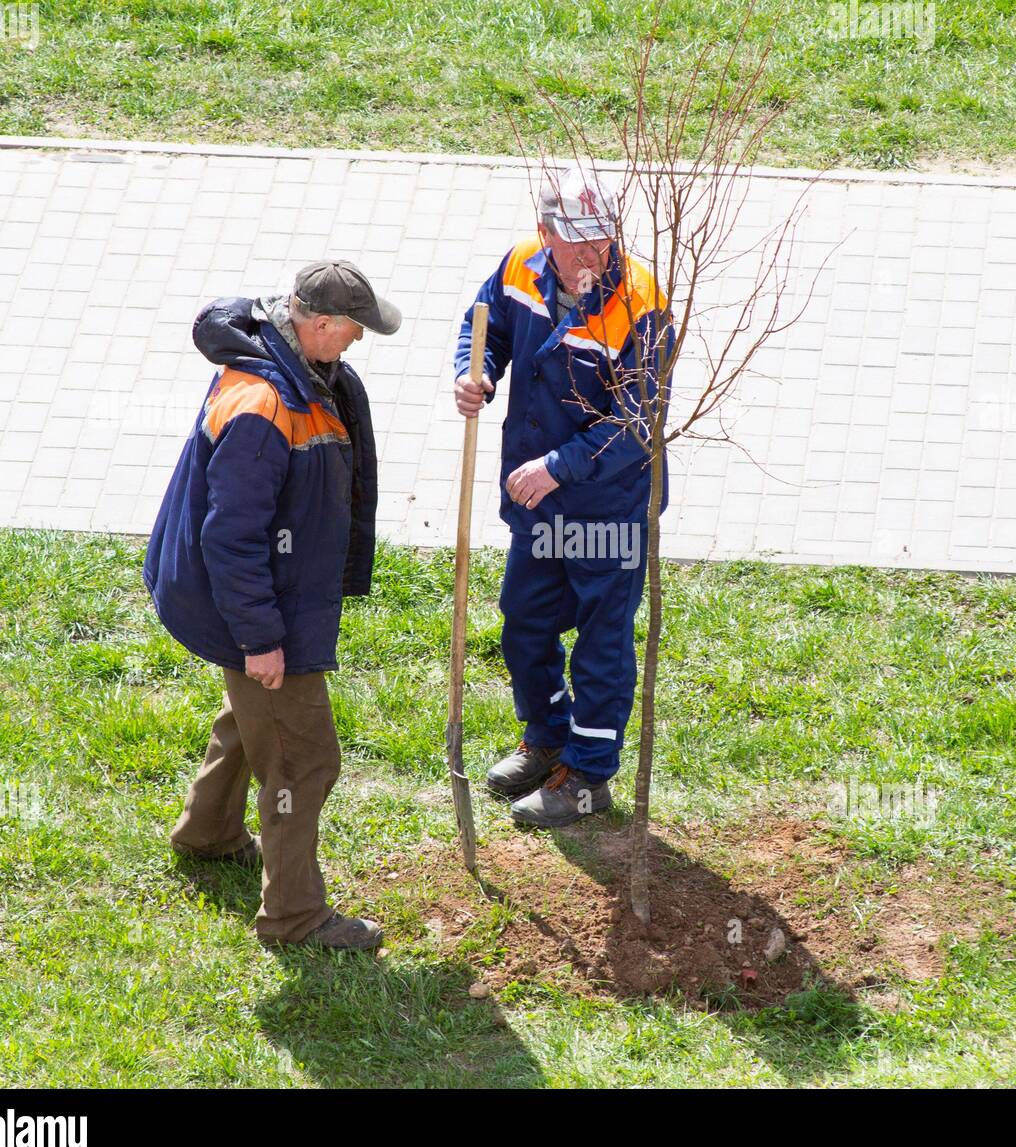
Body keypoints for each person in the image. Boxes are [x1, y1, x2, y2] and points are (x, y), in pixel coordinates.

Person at [144, 260, 399, 951]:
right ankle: (292, 915)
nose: (356, 344)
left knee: (254, 713)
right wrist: (260, 636)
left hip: (244, 596)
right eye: (351, 331)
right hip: (245, 600)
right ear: (316, 324)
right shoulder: (263, 406)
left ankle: (209, 833)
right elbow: (231, 538)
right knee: (300, 759)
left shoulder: (290, 365)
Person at [453, 164, 672, 829]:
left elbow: (637, 423)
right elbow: (482, 324)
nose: (593, 254)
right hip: (539, 504)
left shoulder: (641, 300)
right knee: (525, 621)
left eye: (602, 239)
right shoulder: (520, 266)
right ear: (544, 233)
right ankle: (545, 737)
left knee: (602, 644)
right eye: (576, 240)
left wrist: (557, 465)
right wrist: (478, 374)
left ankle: (587, 776)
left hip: (608, 509)